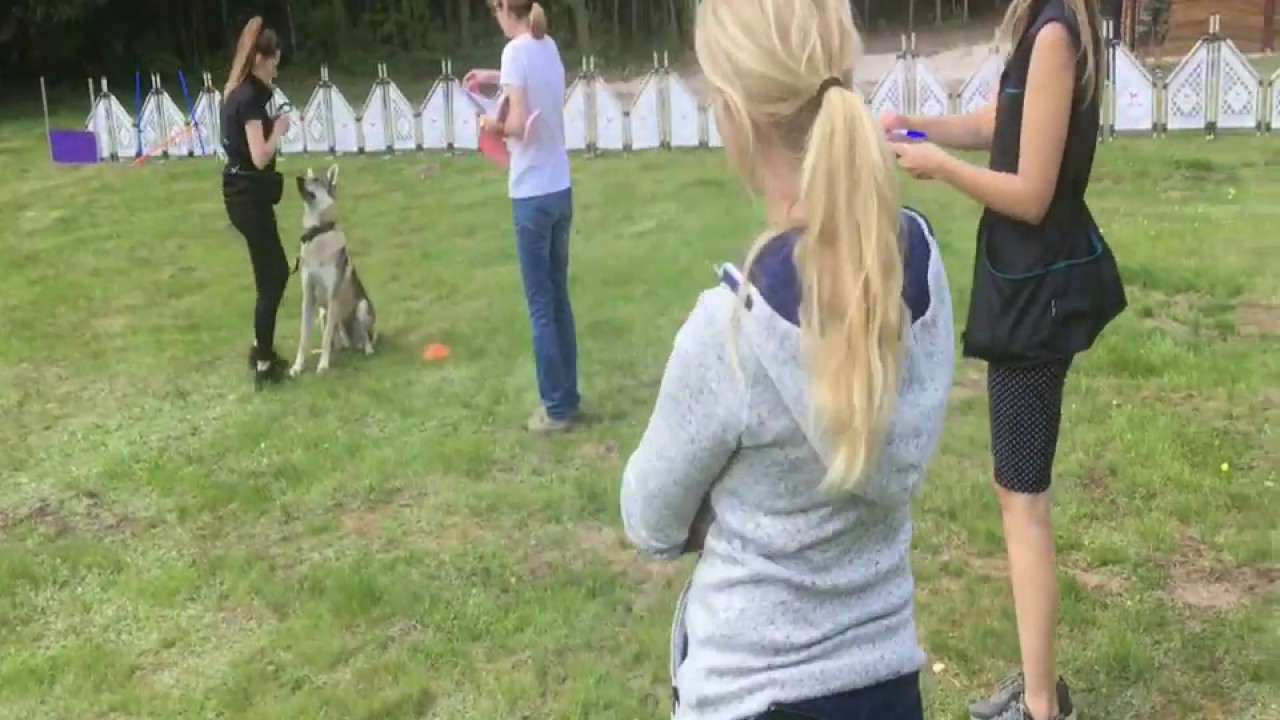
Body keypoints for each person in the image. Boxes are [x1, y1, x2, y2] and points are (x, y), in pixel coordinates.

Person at [619, 0, 956, 718]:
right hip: (889, 691)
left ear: (733, 115)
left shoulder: (731, 330)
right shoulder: (920, 270)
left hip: (752, 694)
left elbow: (649, 518)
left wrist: (727, 503)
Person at [886, 1, 1120, 718]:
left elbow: (1031, 192)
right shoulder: (1045, 28)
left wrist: (941, 167)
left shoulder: (1054, 33)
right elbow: (999, 123)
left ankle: (1042, 708)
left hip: (1036, 299)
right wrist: (917, 128)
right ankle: (1038, 688)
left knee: (1023, 502)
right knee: (1017, 492)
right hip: (1026, 291)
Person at [466, 0, 580, 433]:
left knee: (540, 307)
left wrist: (490, 126)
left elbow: (516, 122)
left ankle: (555, 409)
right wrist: (492, 78)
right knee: (558, 300)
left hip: (530, 192)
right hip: (560, 188)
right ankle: (569, 396)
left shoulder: (515, 52)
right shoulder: (545, 44)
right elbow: (532, 90)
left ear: (501, 8)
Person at [221, 17, 291, 390]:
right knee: (274, 275)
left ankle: (260, 348)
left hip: (243, 194)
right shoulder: (249, 98)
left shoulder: (240, 92)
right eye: (275, 59)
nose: (278, 66)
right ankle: (263, 362)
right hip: (248, 196)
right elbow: (260, 154)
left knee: (270, 274)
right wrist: (278, 130)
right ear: (261, 59)